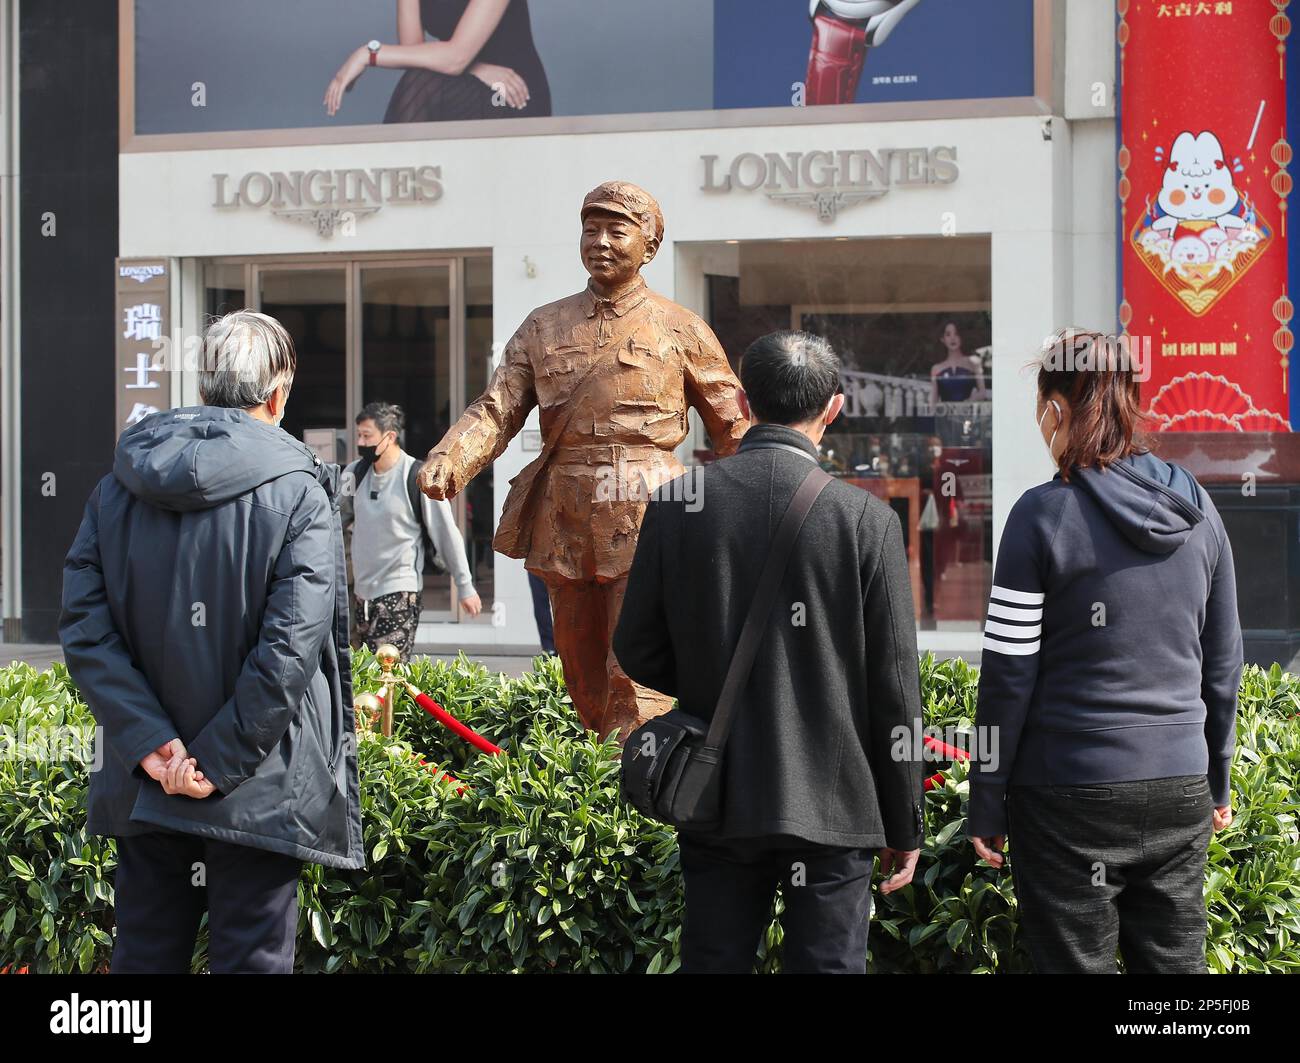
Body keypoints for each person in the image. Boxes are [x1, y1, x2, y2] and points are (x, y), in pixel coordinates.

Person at [59, 310, 364, 974]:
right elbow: (291, 646)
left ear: (204, 384)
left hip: (147, 785)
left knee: (143, 956)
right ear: (278, 394)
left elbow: (86, 629)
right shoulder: (300, 492)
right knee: (251, 958)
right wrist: (214, 761)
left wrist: (154, 748)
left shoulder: (118, 487)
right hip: (256, 788)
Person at [613, 330, 925, 974]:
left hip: (717, 788)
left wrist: (710, 673)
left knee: (715, 960)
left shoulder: (678, 504)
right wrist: (905, 823)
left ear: (744, 401)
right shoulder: (866, 521)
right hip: (836, 803)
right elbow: (895, 686)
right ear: (833, 408)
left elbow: (636, 649)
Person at [418, 181, 748, 739]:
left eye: (617, 230)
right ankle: (601, 771)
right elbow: (497, 408)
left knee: (638, 656)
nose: (600, 241)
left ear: (649, 245)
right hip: (565, 514)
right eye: (591, 229)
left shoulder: (680, 327)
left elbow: (732, 423)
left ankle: (639, 776)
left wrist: (765, 494)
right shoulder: (544, 326)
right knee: (577, 659)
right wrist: (452, 456)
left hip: (650, 507)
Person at [967, 328, 1243, 974]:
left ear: (1059, 409)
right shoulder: (1200, 508)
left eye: (1043, 410)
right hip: (1179, 780)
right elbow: (1223, 661)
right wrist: (1217, 778)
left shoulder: (1039, 516)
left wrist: (987, 795)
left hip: (1067, 789)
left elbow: (1007, 674)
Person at [343, 401, 481, 656]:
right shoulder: (354, 474)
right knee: (361, 683)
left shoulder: (417, 477)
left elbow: (446, 533)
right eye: (359, 435)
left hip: (399, 592)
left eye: (367, 436)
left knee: (388, 677)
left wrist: (465, 585)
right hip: (360, 595)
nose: (361, 442)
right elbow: (334, 520)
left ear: (390, 436)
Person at [324, 0, 552, 122]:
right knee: (419, 80)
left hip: (510, 93)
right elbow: (413, 52)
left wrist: (369, 54)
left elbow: (456, 58)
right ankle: (400, 193)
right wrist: (475, 69)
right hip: (461, 79)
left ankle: (395, 195)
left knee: (423, 87)